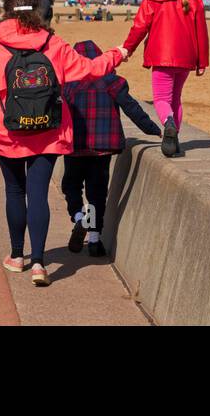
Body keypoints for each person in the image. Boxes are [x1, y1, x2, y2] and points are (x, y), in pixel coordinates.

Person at [0, 0, 129, 287]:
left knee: (15, 193)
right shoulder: (53, 43)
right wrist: (117, 54)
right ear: (38, 10)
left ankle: (17, 256)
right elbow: (90, 70)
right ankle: (39, 264)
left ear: (6, 11)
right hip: (48, 131)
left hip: (8, 132)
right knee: (37, 194)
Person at [62, 40, 162, 257]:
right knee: (97, 192)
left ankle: (79, 218)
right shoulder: (111, 80)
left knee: (71, 185)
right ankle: (95, 241)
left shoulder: (67, 82)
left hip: (75, 146)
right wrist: (153, 130)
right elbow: (132, 108)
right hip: (103, 147)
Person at [122, 0, 210, 158]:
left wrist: (128, 48)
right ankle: (175, 139)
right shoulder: (195, 0)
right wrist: (202, 62)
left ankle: (168, 124)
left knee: (161, 98)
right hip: (186, 56)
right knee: (175, 98)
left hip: (161, 55)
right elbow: (201, 33)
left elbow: (140, 25)